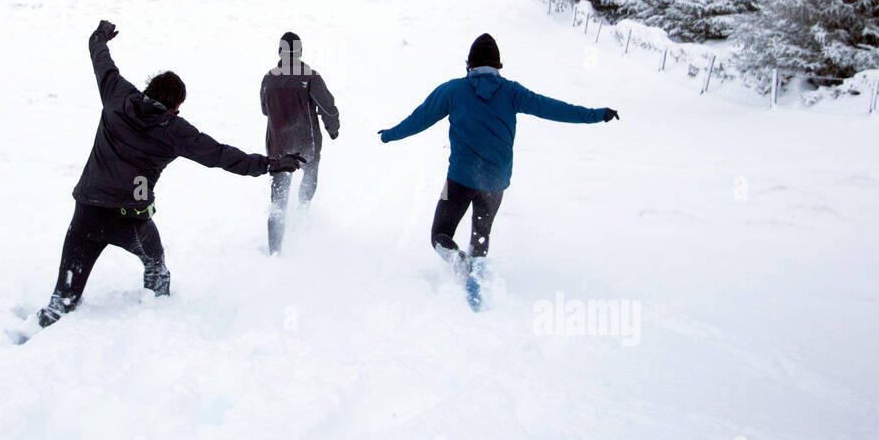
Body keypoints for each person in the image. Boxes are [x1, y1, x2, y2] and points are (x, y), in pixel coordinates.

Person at [38, 21, 305, 328]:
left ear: (149, 88)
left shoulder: (117, 95)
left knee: (63, 298)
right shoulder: (173, 130)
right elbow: (219, 155)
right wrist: (270, 164)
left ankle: (42, 326)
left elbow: (101, 61)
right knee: (156, 268)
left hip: (86, 212)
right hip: (130, 220)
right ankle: (158, 323)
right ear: (176, 105)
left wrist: (99, 37)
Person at [377, 32, 618, 272]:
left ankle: (457, 260)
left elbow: (420, 119)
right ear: (497, 65)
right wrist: (595, 115)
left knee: (440, 234)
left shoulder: (453, 91)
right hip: (495, 182)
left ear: (469, 64)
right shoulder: (512, 92)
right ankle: (479, 271)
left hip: (459, 180)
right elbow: (552, 108)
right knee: (481, 235)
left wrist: (390, 135)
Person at [260, 31, 340, 255]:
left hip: (278, 147)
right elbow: (327, 107)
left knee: (278, 199)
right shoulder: (310, 77)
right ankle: (303, 213)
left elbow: (264, 109)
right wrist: (333, 129)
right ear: (300, 52)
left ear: (279, 52)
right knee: (310, 175)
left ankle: (275, 250)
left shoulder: (268, 79)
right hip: (307, 145)